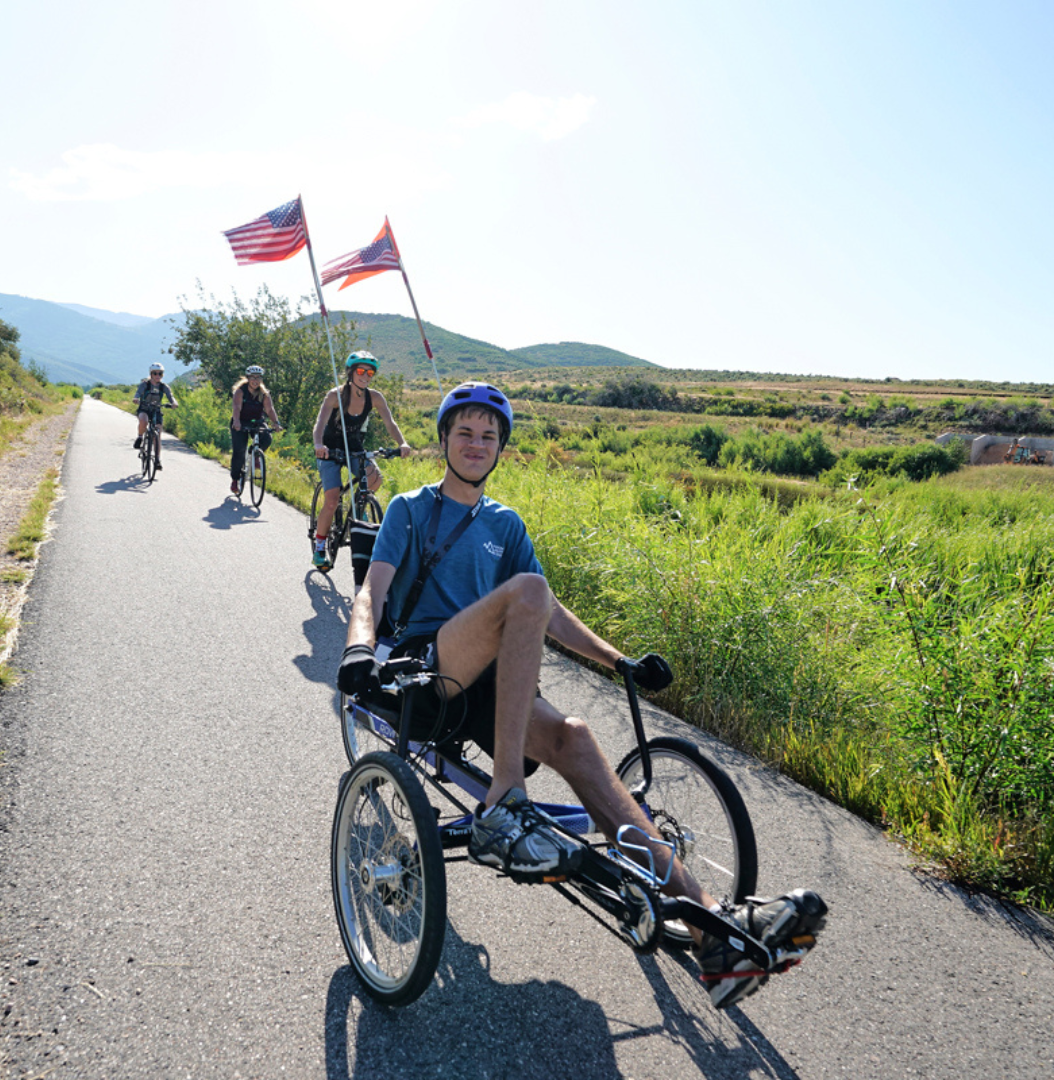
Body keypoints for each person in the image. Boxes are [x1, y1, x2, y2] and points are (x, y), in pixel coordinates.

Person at [338, 381, 826, 1009]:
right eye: (465, 432)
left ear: (501, 448)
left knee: (575, 736)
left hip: (494, 691)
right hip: (434, 667)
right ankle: (503, 803)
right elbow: (370, 593)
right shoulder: (410, 508)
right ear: (443, 439)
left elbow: (553, 613)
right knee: (528, 593)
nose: (477, 444)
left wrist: (619, 660)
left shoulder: (504, 523)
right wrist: (357, 648)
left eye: (490, 435)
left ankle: (717, 935)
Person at [311, 351, 410, 568]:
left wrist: (402, 443)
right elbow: (319, 425)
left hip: (354, 447)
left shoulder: (375, 397)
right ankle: (319, 547)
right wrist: (319, 445)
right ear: (350, 373)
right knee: (332, 499)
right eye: (361, 371)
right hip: (330, 450)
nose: (366, 375)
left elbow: (390, 423)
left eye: (370, 372)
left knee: (375, 480)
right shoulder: (334, 396)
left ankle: (360, 503)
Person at [229, 365, 282, 496]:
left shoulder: (264, 394)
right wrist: (236, 421)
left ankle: (256, 455)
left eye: (258, 378)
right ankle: (235, 479)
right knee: (239, 451)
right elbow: (236, 407)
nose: (255, 380)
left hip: (257, 421)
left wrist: (276, 423)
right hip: (240, 422)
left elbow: (269, 410)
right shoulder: (240, 391)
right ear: (248, 378)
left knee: (266, 438)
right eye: (253, 377)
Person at [133, 363, 178, 470]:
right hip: (144, 408)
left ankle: (157, 459)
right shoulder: (145, 384)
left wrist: (174, 403)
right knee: (143, 421)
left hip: (156, 410)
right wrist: (136, 398)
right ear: (151, 374)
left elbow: (170, 396)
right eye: (155, 373)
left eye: (160, 374)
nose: (158, 375)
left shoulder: (164, 386)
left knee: (157, 434)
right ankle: (140, 437)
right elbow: (138, 393)